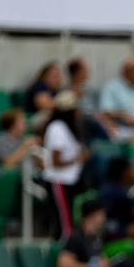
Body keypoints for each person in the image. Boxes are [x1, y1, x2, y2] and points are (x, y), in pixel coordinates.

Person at [41, 92, 88, 237]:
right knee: (65, 224)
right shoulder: (57, 128)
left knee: (68, 222)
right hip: (59, 180)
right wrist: (77, 159)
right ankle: (65, 254)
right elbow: (55, 161)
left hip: (69, 181)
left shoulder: (68, 128)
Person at [95, 58, 134, 144]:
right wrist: (123, 115)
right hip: (121, 128)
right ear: (130, 72)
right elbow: (103, 113)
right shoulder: (111, 87)